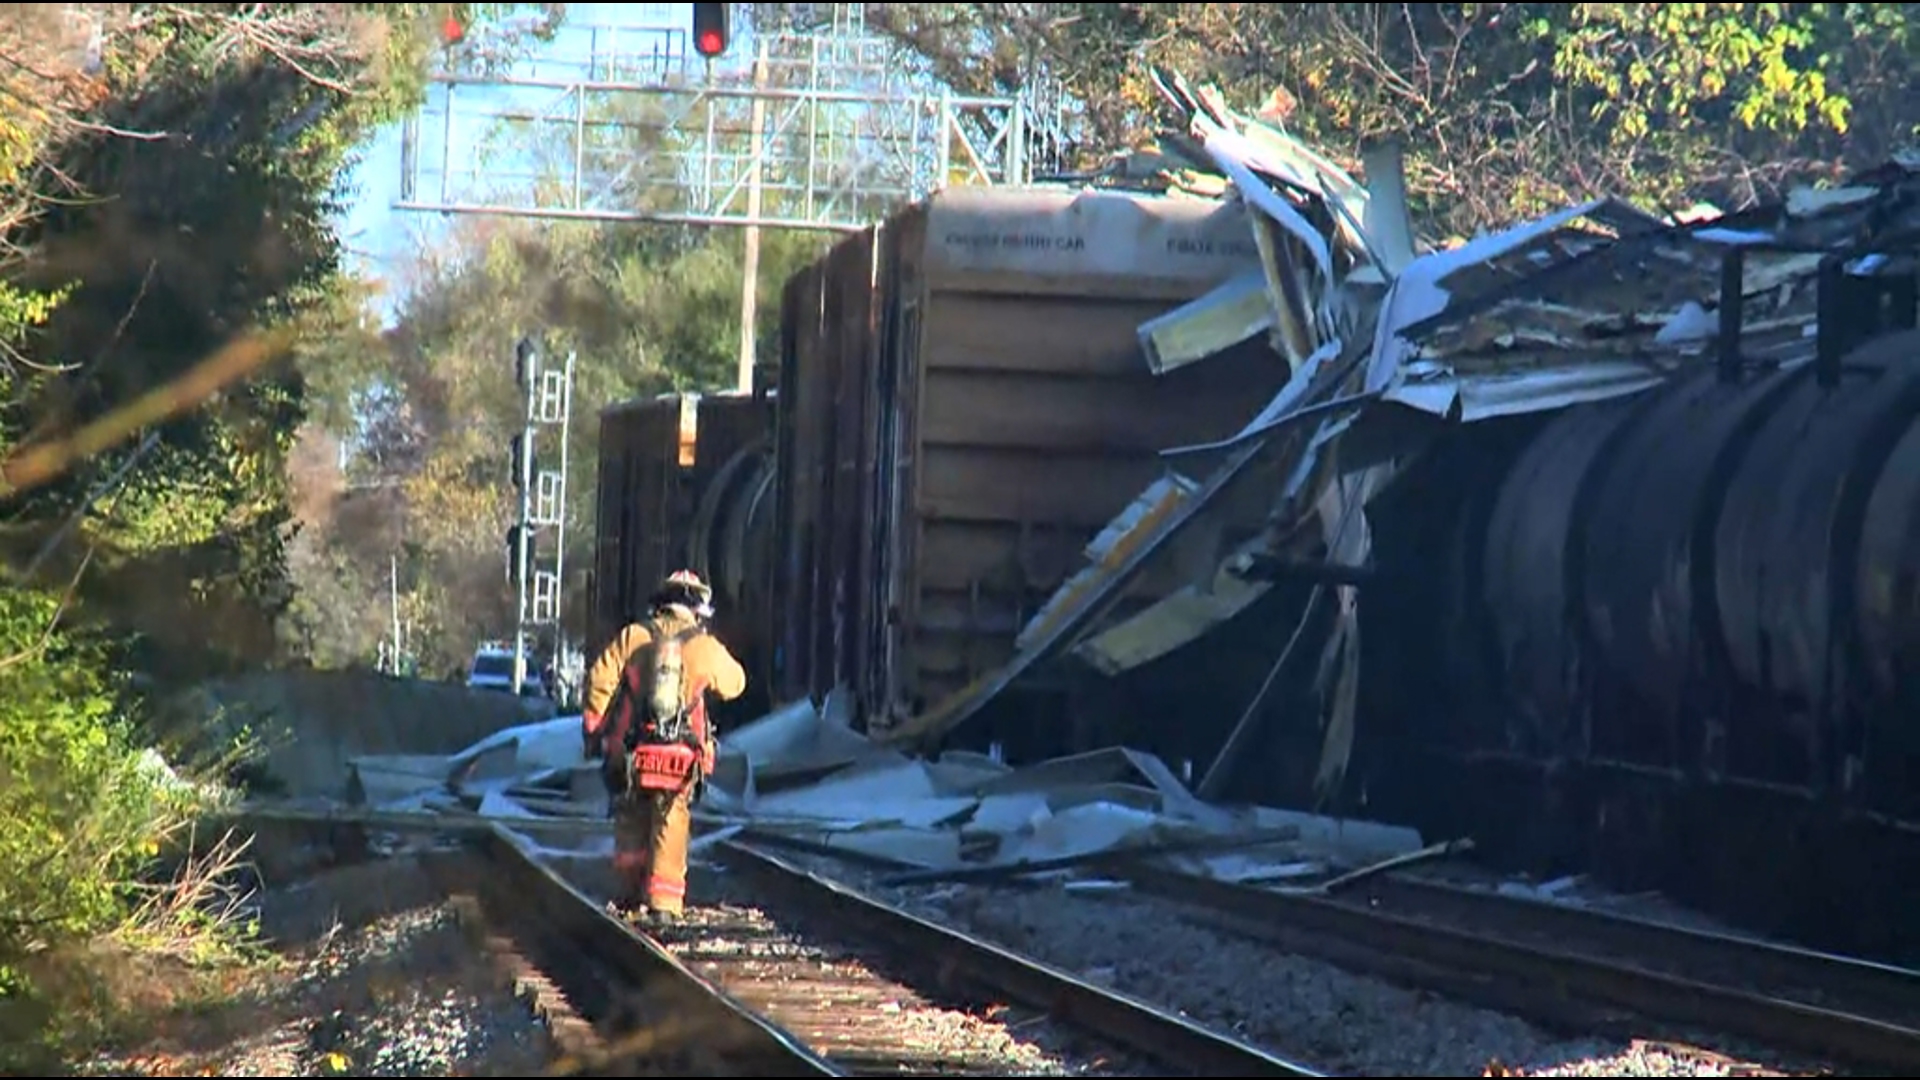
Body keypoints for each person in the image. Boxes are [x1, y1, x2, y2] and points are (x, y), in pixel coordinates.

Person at [582, 569, 745, 924]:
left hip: (632, 754)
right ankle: (663, 906)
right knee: (670, 825)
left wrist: (593, 732)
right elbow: (737, 684)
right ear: (696, 608)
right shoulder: (703, 646)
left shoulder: (634, 636)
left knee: (631, 819)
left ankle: (627, 894)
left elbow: (599, 681)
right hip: (681, 758)